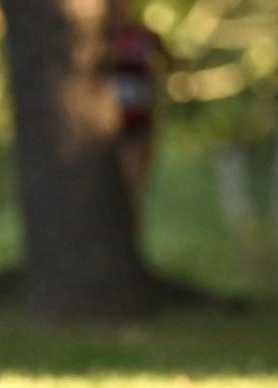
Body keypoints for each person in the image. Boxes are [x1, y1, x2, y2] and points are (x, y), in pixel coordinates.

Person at [106, 0, 169, 231]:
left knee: (133, 186)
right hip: (109, 130)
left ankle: (129, 237)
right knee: (120, 187)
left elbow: (170, 65)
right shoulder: (98, 40)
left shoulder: (146, 37)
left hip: (140, 123)